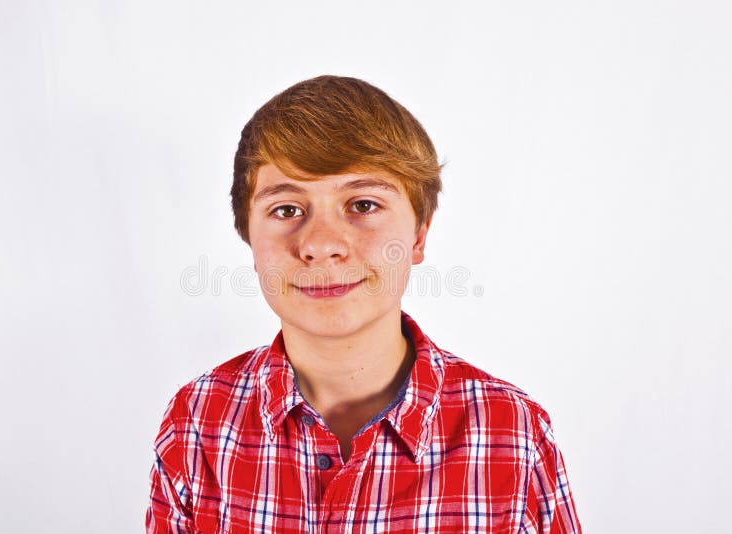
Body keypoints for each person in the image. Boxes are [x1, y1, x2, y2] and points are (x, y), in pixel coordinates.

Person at [146, 75, 581, 533]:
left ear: (418, 235)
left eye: (363, 205)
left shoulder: (513, 433)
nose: (321, 245)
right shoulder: (197, 423)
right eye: (287, 210)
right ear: (249, 237)